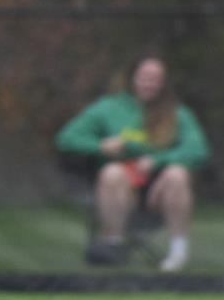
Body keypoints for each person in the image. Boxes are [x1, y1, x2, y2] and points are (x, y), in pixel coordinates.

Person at [57, 54, 210, 272]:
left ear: (164, 83)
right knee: (112, 172)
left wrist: (158, 161)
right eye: (145, 77)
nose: (149, 83)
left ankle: (178, 252)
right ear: (132, 78)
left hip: (160, 194)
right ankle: (113, 246)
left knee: (177, 174)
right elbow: (66, 138)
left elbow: (198, 149)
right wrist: (101, 146)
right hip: (123, 191)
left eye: (156, 78)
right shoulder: (108, 108)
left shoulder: (178, 113)